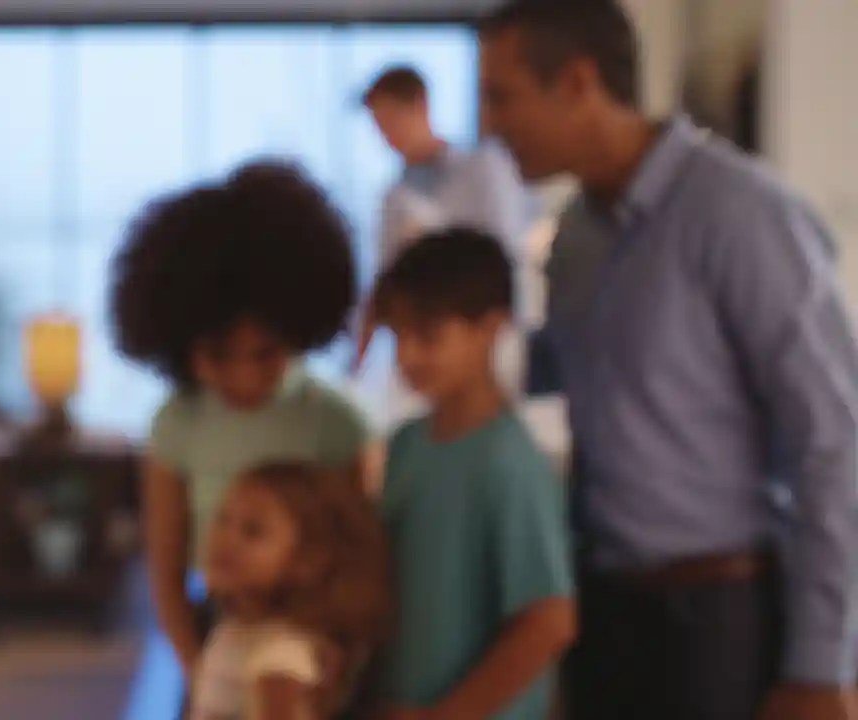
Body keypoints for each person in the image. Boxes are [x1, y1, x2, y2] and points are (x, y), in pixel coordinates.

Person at [478, 2, 858, 719]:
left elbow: (832, 443)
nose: (490, 125)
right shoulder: (576, 238)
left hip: (720, 621)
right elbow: (570, 373)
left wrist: (822, 666)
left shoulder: (741, 214)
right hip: (606, 613)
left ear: (579, 82)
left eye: (502, 96)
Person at [110, 161, 371, 698]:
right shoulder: (177, 423)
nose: (244, 375)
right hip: (213, 636)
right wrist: (198, 668)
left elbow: (359, 562)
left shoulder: (335, 424)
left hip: (311, 648)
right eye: (218, 355)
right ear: (181, 344)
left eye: (265, 354)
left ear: (302, 330)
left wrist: (336, 667)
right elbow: (164, 568)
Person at [373, 229, 576, 720]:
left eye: (428, 336)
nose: (407, 357)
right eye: (396, 335)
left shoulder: (510, 463)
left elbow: (549, 622)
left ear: (492, 327)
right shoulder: (406, 445)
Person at [354, 66, 534, 429]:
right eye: (379, 124)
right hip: (423, 347)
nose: (387, 134)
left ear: (421, 106)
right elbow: (385, 283)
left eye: (391, 118)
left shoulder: (482, 170)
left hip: (482, 340)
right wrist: (356, 363)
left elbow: (504, 258)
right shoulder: (395, 197)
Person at [189, 462, 390, 720]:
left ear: (306, 561)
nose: (226, 538)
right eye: (223, 519)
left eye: (253, 531)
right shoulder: (240, 632)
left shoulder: (281, 653)